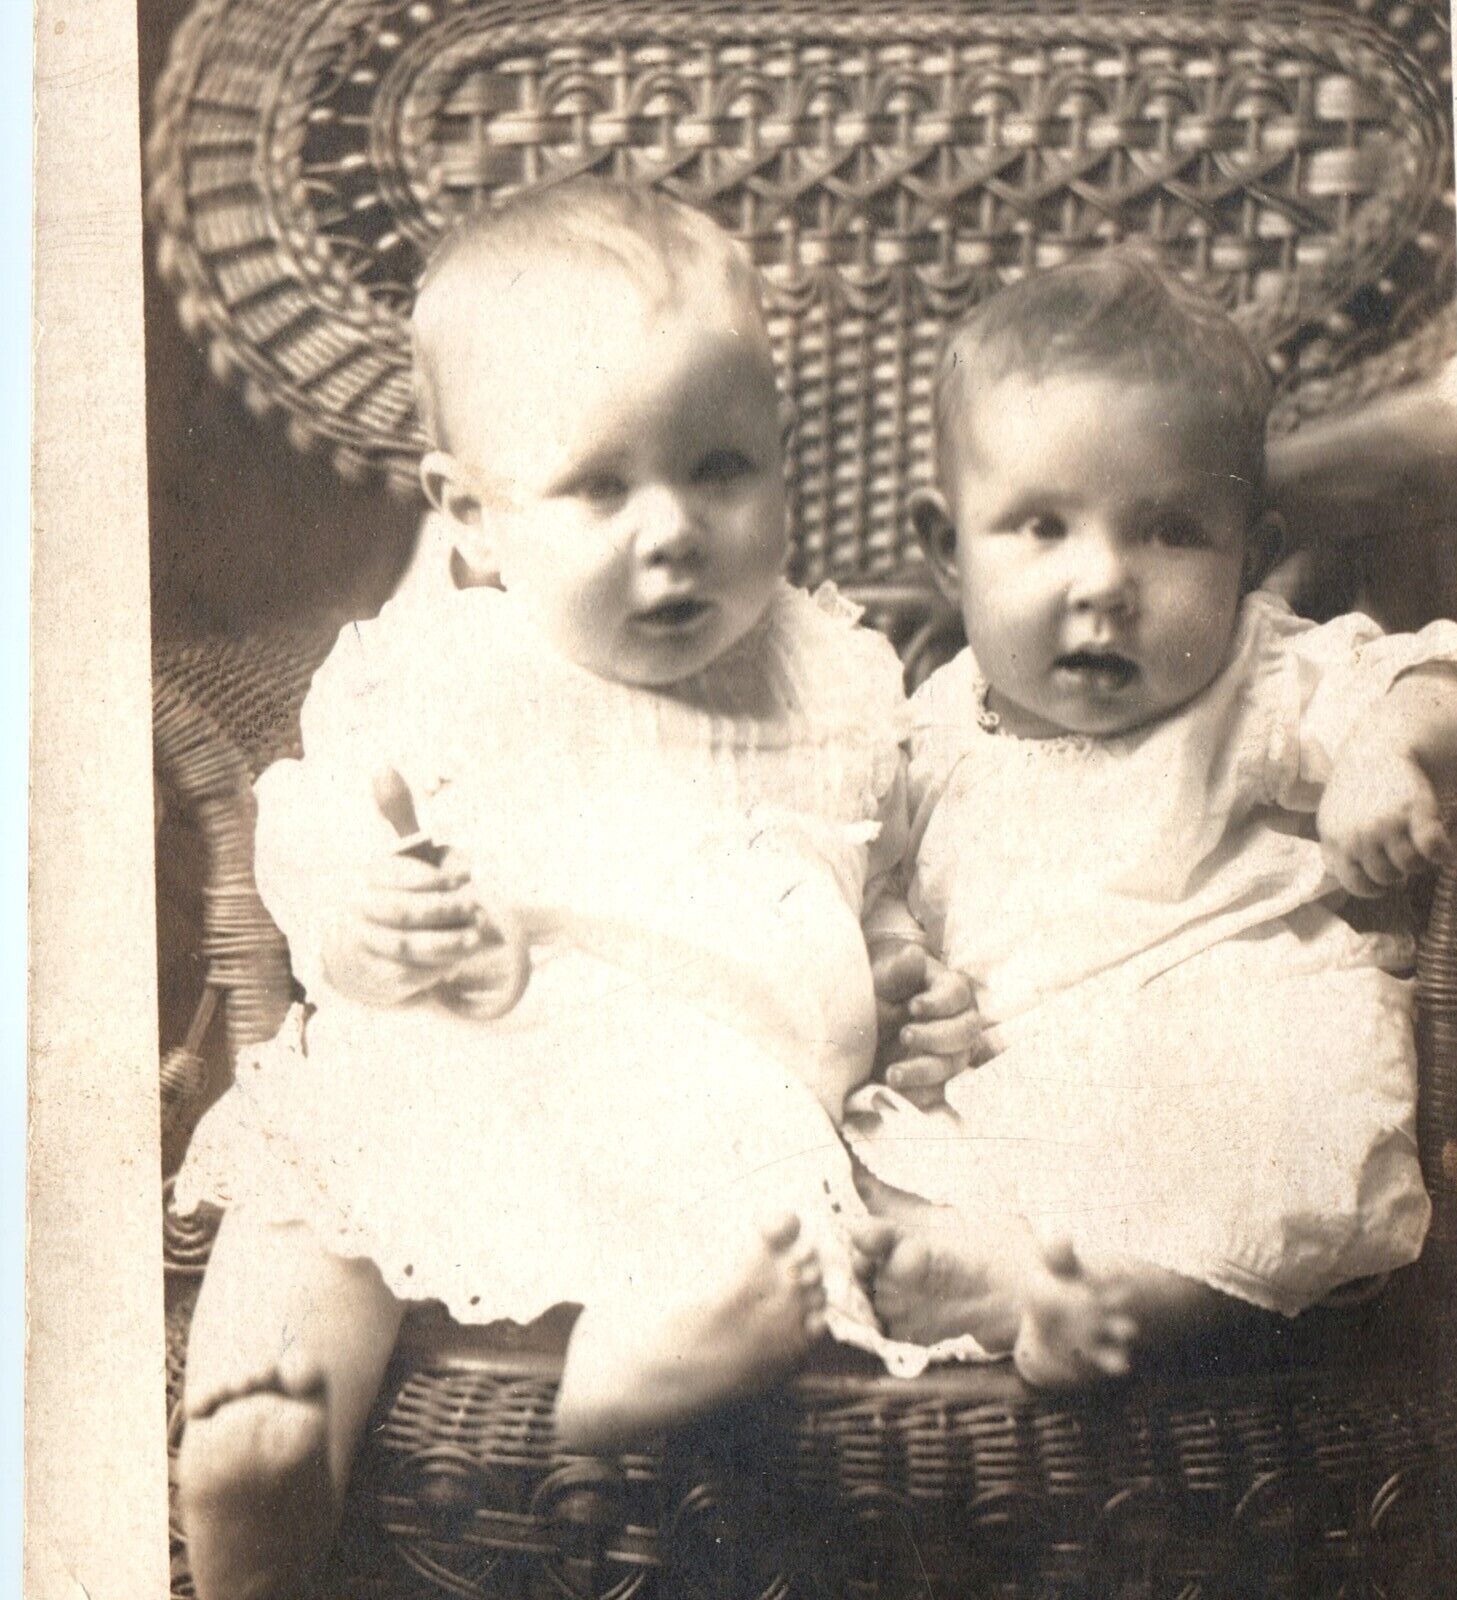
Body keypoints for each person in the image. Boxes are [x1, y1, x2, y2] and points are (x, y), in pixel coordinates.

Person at [171, 180, 972, 1600]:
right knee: (314, 1175)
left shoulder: (839, 674)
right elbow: (312, 820)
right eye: (601, 487)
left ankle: (647, 1360)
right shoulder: (437, 668)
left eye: (723, 468)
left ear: (784, 457)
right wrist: (357, 911)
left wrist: (903, 974)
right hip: (462, 1056)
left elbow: (880, 865)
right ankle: (266, 1449)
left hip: (712, 1094)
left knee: (771, 1212)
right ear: (470, 517)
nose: (673, 530)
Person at [844, 255, 1457, 1387]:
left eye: (1171, 532)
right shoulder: (921, 729)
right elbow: (873, 884)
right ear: (948, 550)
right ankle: (1012, 1276)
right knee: (862, 1149)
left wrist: (1391, 741)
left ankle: (1126, 1305)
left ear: (1251, 550)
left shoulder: (1254, 673)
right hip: (1020, 1069)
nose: (1104, 583)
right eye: (1041, 527)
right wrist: (899, 973)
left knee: (1278, 1148)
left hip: (1225, 1049)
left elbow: (1453, 678)